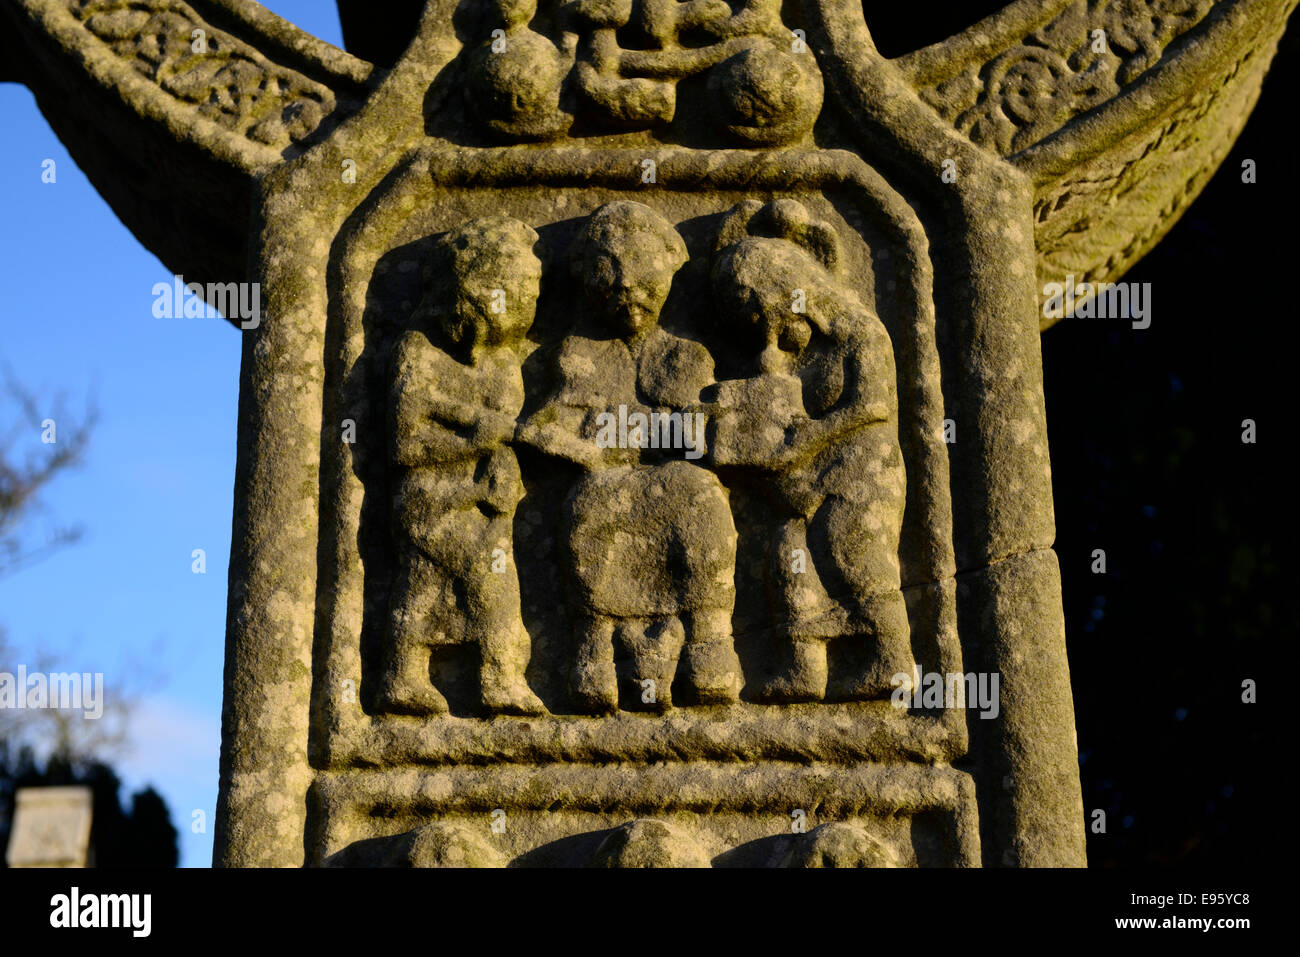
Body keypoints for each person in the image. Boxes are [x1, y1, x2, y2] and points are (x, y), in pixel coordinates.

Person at [380, 215, 545, 716]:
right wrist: (473, 441)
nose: (480, 338)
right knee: (488, 584)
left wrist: (502, 471)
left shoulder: (504, 362)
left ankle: (403, 677)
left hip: (484, 503)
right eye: (473, 316)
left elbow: (503, 437)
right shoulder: (417, 353)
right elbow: (404, 446)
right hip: (430, 498)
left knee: (426, 588)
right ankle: (498, 679)